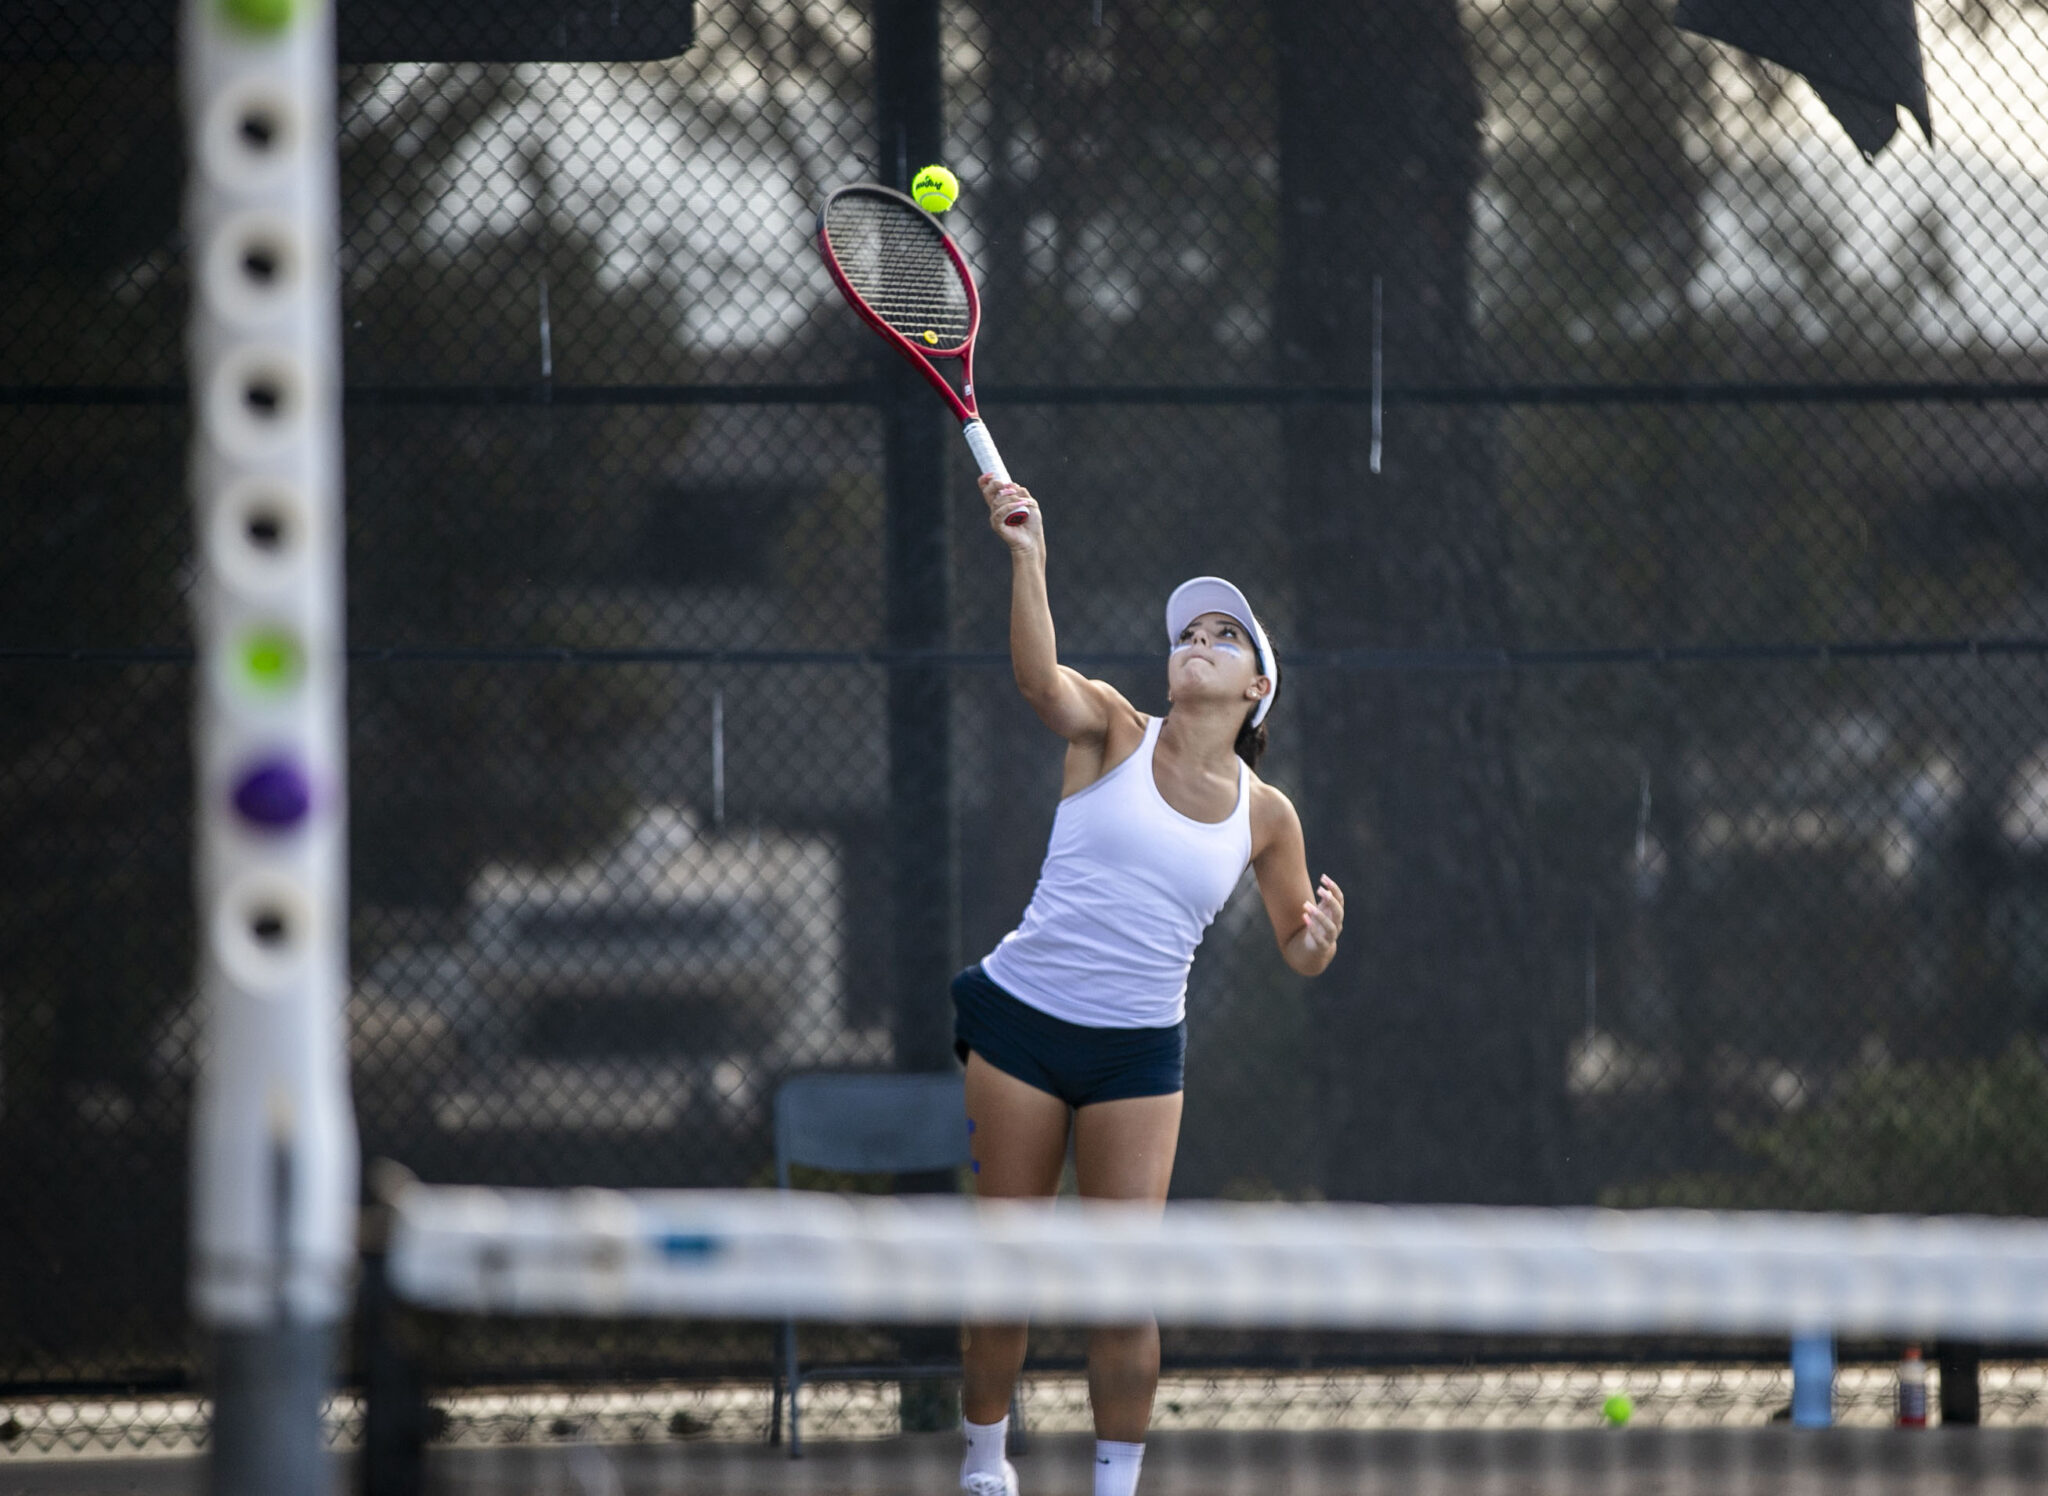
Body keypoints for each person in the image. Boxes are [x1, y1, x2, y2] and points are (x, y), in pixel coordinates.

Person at [952, 473, 1346, 1496]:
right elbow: (1037, 680)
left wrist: (1317, 940)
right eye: (1189, 633)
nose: (1199, 641)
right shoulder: (1112, 729)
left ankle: (1114, 1486)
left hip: (1136, 1054)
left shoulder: (1268, 815)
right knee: (1007, 1266)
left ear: (1256, 686)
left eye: (1225, 635)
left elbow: (1296, 949)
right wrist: (1028, 556)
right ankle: (984, 1468)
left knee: (1123, 1288)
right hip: (1021, 1025)